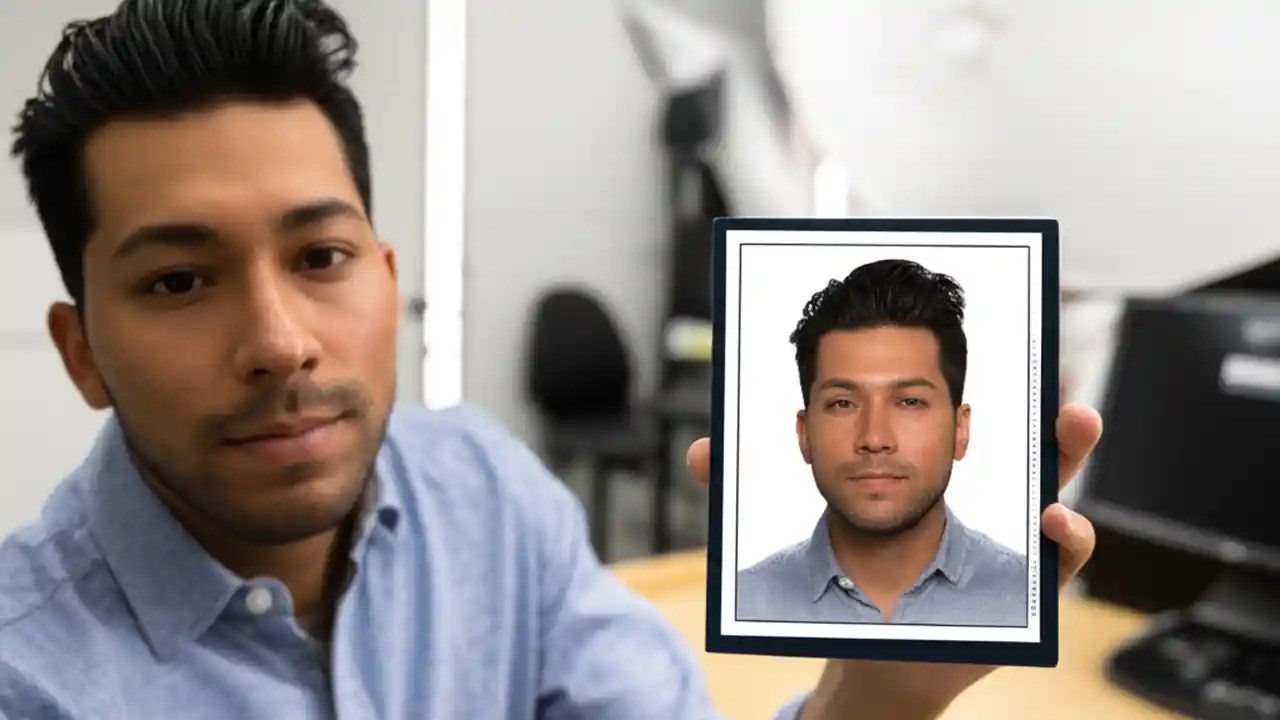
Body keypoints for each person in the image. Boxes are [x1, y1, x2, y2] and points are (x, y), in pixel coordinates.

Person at [0, 2, 1100, 719]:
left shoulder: (482, 494)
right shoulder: (30, 677)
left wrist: (877, 696)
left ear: (386, 277)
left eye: (321, 255)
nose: (281, 341)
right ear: (81, 351)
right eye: (179, 281)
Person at [737, 260, 1027, 627]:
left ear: (960, 429)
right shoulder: (743, 602)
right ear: (804, 432)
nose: (874, 439)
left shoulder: (1028, 597)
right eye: (842, 403)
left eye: (910, 402)